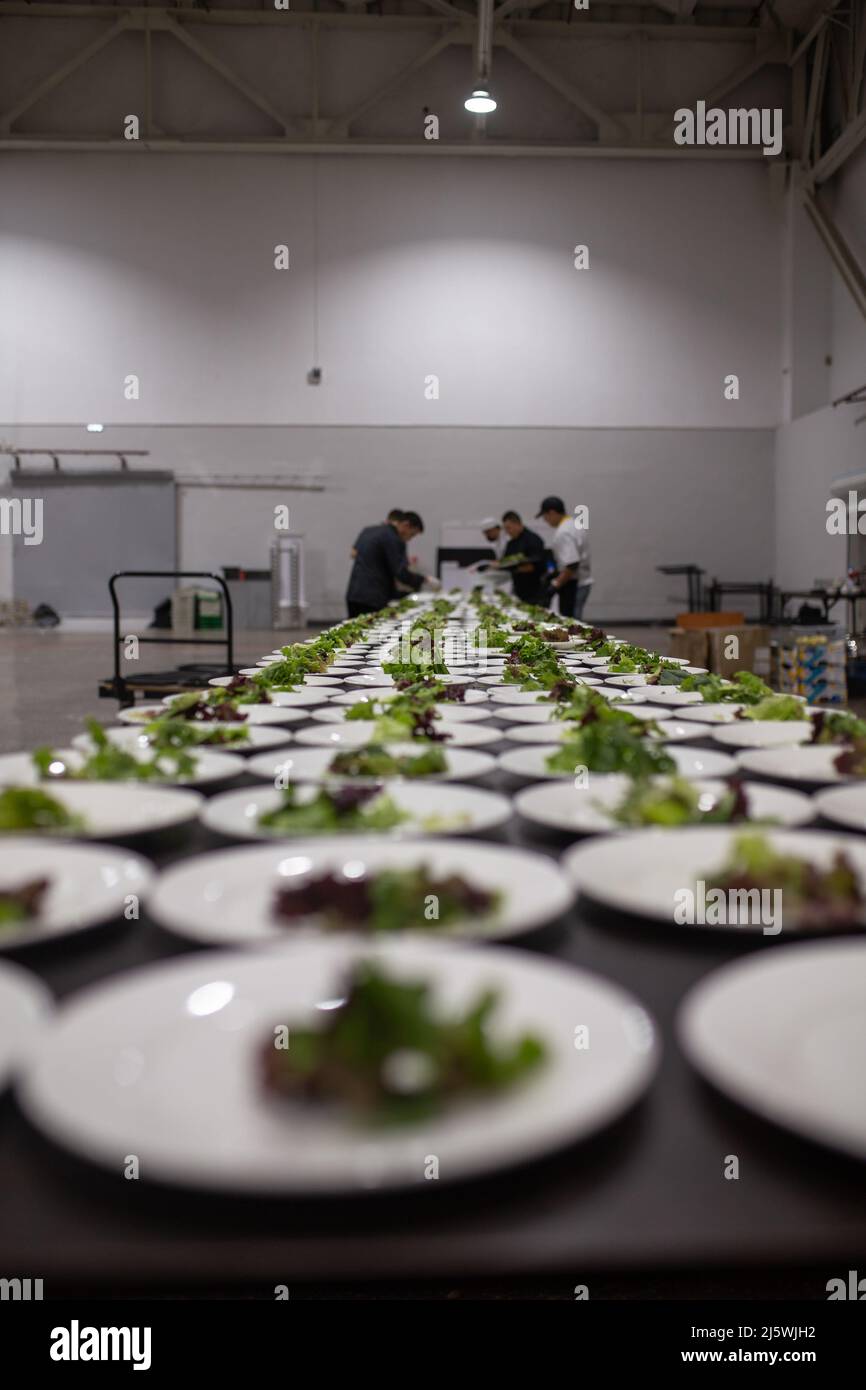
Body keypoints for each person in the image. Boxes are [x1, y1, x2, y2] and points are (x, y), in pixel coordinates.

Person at [345, 511, 437, 616]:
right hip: (373, 597)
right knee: (373, 630)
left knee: (354, 629)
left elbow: (353, 553)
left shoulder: (368, 531)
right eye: (411, 534)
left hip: (354, 594)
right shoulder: (394, 539)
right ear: (406, 525)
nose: (409, 539)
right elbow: (401, 573)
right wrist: (424, 580)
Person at [535, 494, 592, 620]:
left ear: (552, 512)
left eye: (545, 516)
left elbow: (572, 564)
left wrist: (554, 585)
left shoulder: (563, 532)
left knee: (572, 624)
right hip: (582, 581)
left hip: (574, 584)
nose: (545, 520)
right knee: (575, 622)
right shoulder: (575, 524)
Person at [498, 511, 546, 604]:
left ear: (517, 524)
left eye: (509, 528)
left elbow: (534, 565)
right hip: (518, 589)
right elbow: (505, 562)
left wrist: (515, 567)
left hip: (535, 591)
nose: (507, 532)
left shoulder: (533, 540)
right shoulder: (511, 543)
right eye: (505, 529)